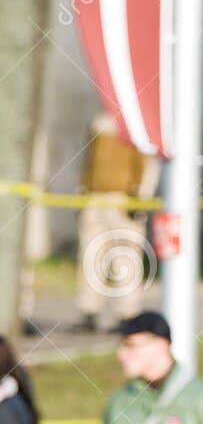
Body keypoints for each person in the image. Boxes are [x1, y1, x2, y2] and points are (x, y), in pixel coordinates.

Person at [76, 111, 158, 333]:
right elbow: (88, 160)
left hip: (124, 199)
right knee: (91, 256)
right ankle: (89, 310)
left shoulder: (136, 121)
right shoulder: (98, 122)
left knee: (126, 258)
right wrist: (82, 192)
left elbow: (148, 162)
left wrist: (140, 197)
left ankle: (127, 314)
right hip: (95, 197)